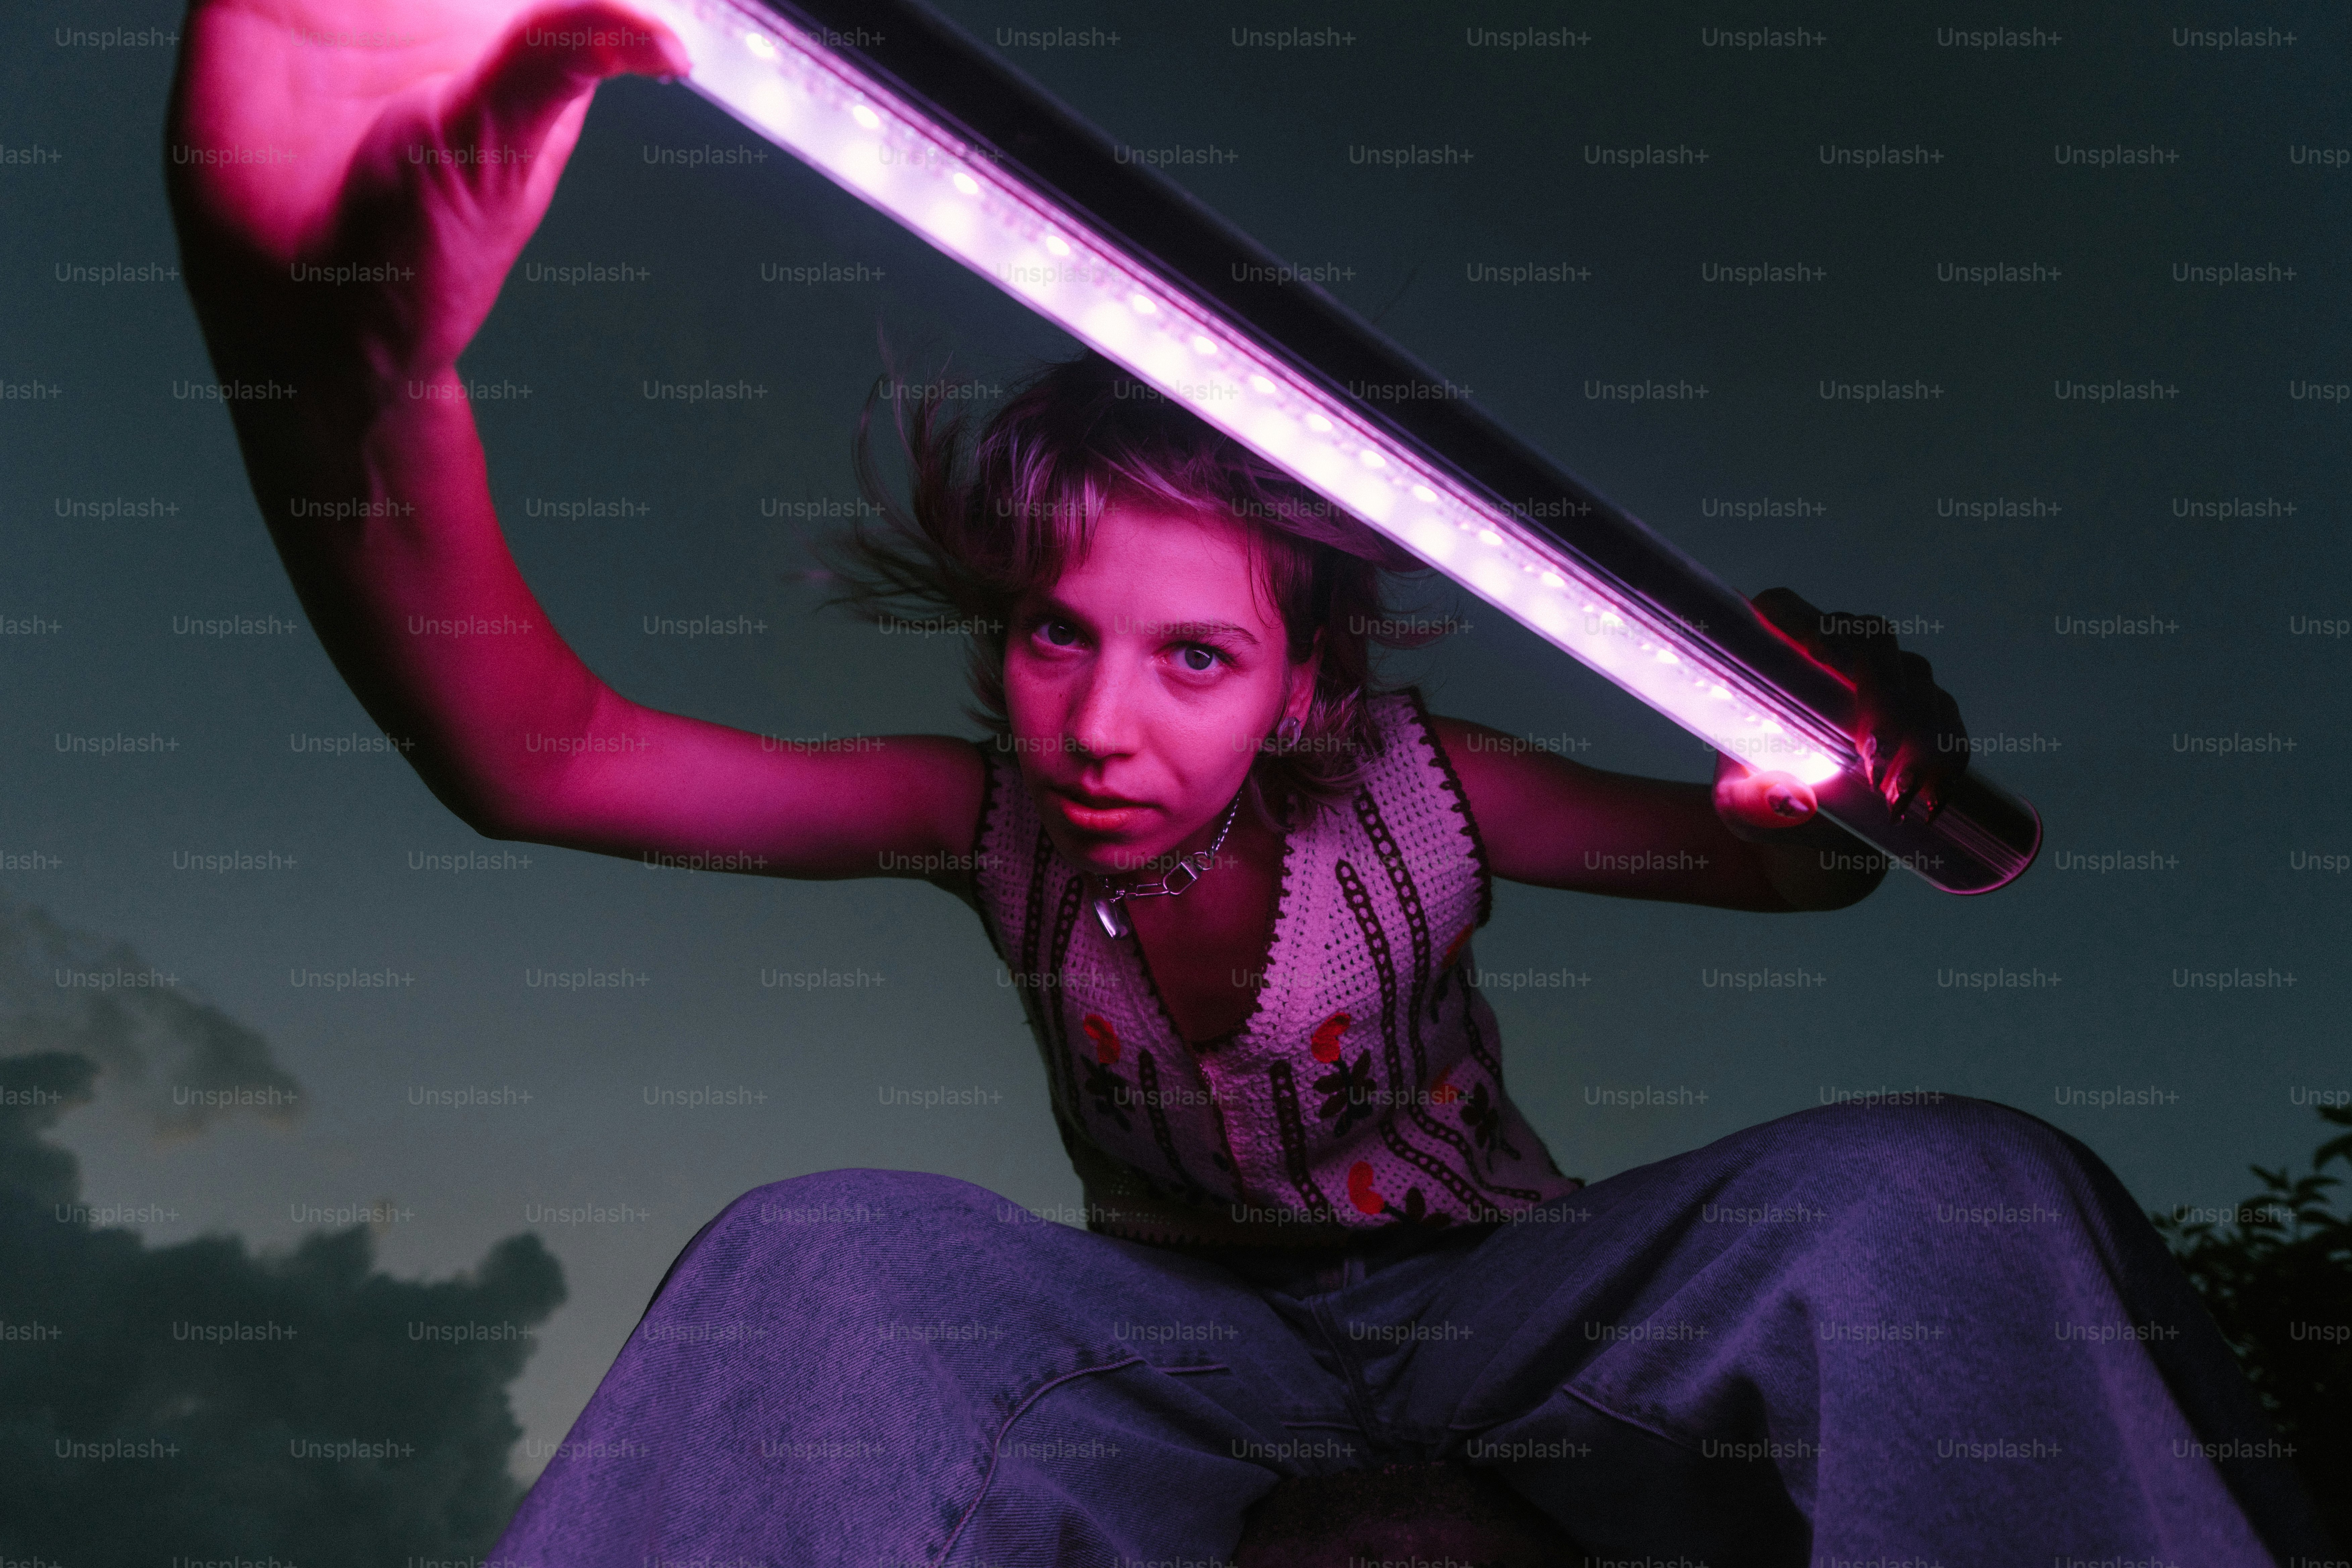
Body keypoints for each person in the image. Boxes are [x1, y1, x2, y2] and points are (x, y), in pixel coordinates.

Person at [164, 2, 2330, 1563]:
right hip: (1166, 1350)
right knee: (818, 1259)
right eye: (1057, 634)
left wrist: (1830, 789)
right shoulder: (976, 823)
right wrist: (349, 372)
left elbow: (1776, 871)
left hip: (1509, 1305)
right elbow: (538, 758)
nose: (1101, 724)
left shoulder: (1428, 792)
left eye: (1193, 656)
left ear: (1303, 685)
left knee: (1946, 1188)